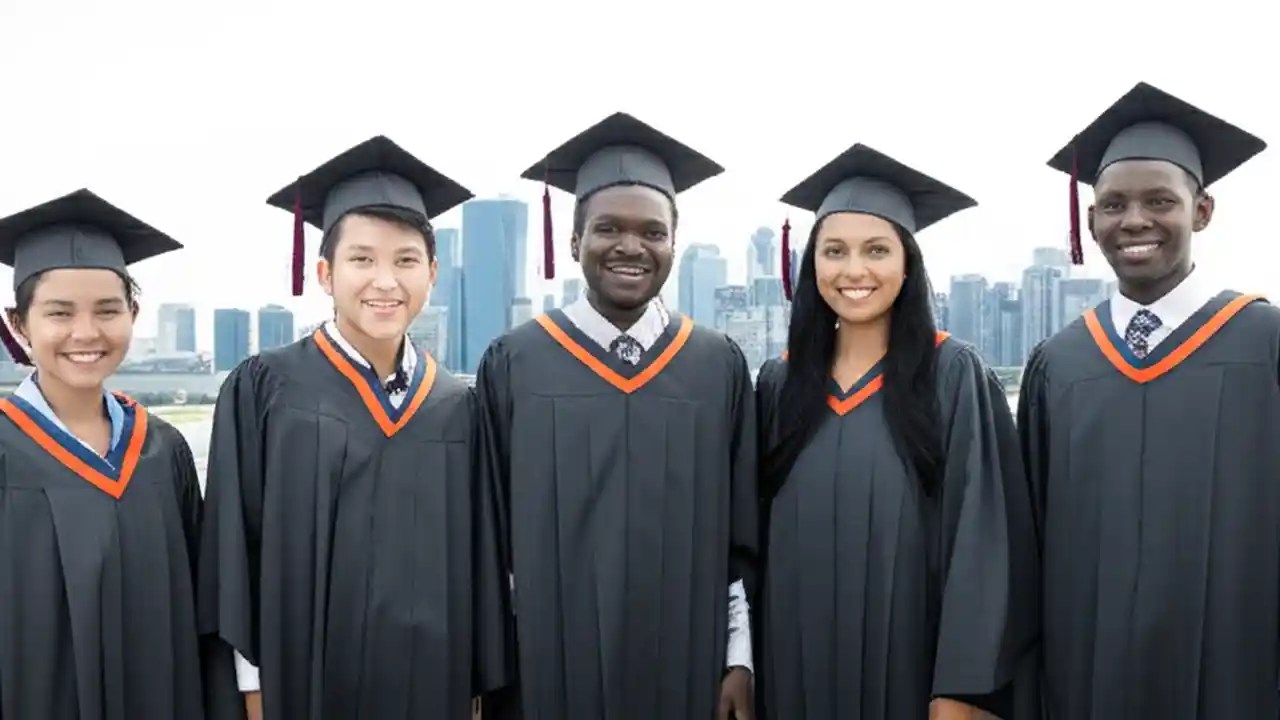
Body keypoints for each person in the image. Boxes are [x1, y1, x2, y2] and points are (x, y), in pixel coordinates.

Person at [196, 136, 509, 719]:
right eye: (362, 259)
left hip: (431, 686)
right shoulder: (267, 389)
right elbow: (234, 552)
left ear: (433, 272)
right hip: (302, 685)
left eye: (406, 261)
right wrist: (252, 685)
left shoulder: (455, 405)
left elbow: (481, 564)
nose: (384, 281)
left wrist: (474, 684)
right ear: (324, 271)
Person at [476, 112, 758, 720]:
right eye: (608, 228)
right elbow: (488, 534)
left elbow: (740, 537)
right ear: (575, 242)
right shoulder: (516, 363)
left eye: (652, 232)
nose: (631, 247)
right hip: (547, 667)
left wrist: (739, 659)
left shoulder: (716, 367)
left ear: (673, 246)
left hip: (685, 664)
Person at [754, 144, 1038, 719]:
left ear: (907, 264)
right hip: (793, 669)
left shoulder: (953, 375)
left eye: (876, 250)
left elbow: (985, 542)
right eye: (834, 251)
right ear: (812, 266)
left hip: (914, 674)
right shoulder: (779, 386)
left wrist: (962, 690)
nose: (854, 270)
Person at [1022, 81, 1274, 718]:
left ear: (1203, 210)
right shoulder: (1059, 363)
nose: (1134, 220)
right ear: (1090, 221)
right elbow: (1025, 537)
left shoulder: (1264, 341)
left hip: (1236, 668)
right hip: (1084, 675)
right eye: (1113, 205)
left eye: (1160, 200)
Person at [0, 189, 240, 719]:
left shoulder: (162, 450)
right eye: (59, 313)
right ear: (18, 325)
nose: (86, 333)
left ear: (133, 313)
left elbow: (205, 614)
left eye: (108, 311)